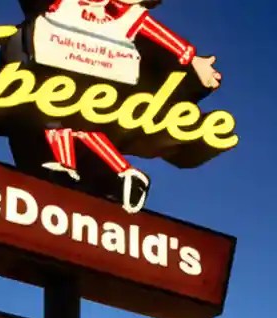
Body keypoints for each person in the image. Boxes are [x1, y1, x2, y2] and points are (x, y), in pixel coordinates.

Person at [28, 0, 222, 212]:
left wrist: (195, 62)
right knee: (66, 121)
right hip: (64, 64)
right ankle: (116, 171)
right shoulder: (67, 4)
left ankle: (81, 169)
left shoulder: (131, 15)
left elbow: (176, 46)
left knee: (70, 120)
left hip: (104, 72)